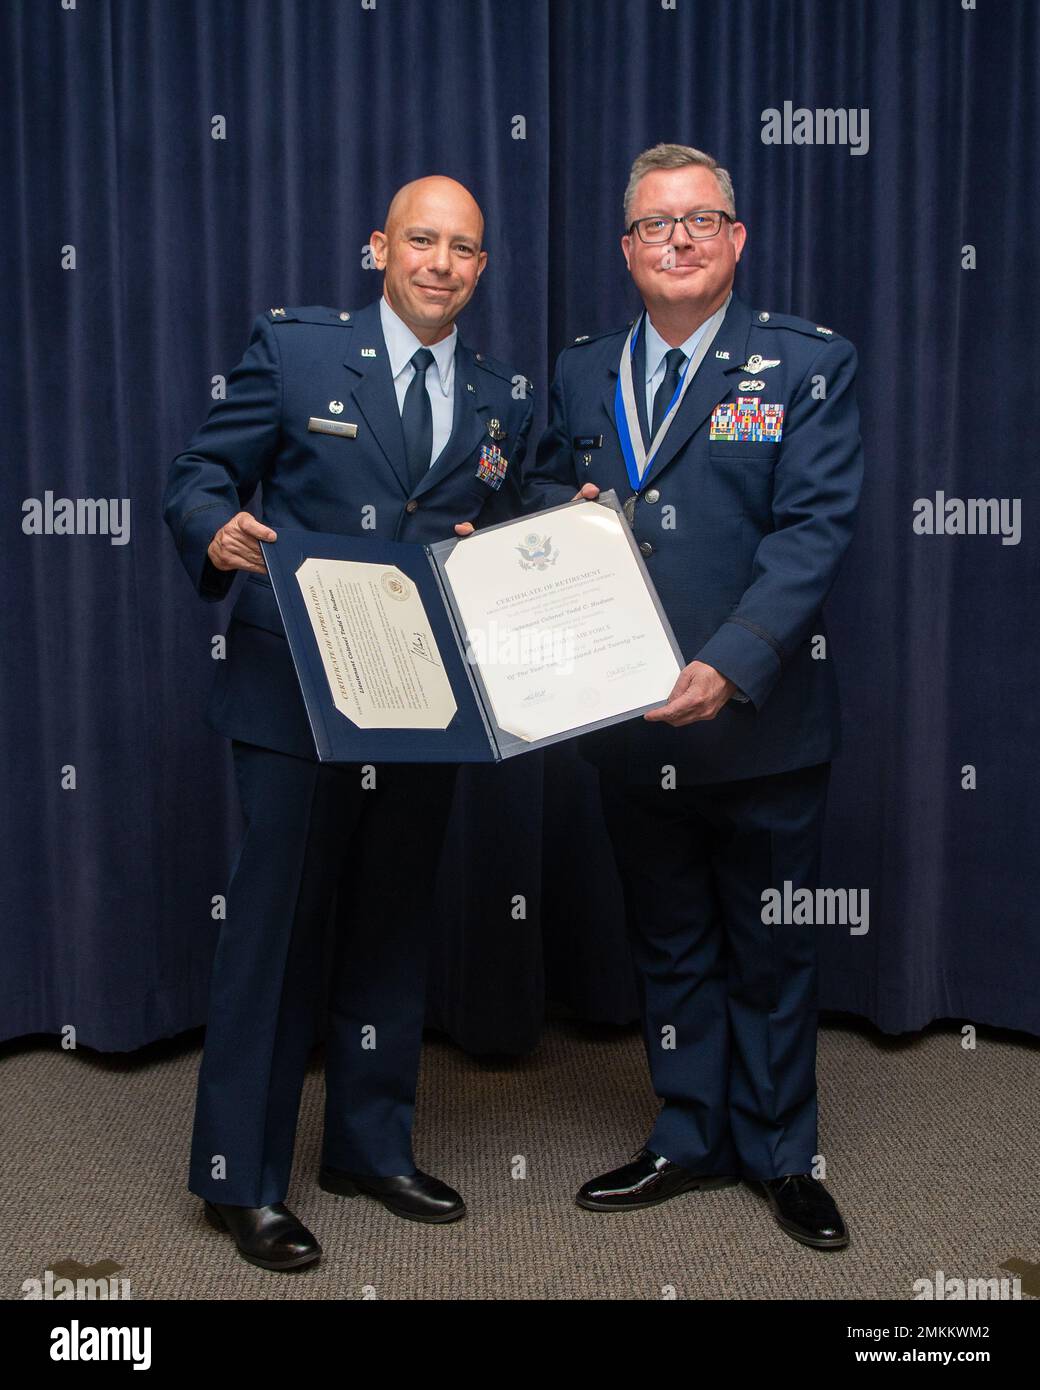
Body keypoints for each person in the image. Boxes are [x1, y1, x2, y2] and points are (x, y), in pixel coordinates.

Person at [163, 176, 532, 1270]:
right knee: (274, 934)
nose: (439, 263)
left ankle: (368, 1147)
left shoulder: (502, 393)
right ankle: (244, 1178)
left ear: (480, 267)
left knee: (389, 921)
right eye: (420, 240)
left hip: (423, 701)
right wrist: (214, 529)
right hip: (293, 693)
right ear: (380, 247)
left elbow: (501, 527)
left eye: (462, 249)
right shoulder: (297, 350)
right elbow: (197, 473)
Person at [522, 143, 863, 1250]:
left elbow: (811, 533)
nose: (678, 240)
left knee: (769, 944)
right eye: (656, 225)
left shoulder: (805, 363)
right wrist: (552, 513)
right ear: (626, 249)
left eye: (700, 220)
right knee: (667, 939)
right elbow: (542, 492)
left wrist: (731, 658)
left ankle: (780, 1154)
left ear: (735, 239)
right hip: (628, 721)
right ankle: (685, 1131)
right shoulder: (580, 372)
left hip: (757, 719)